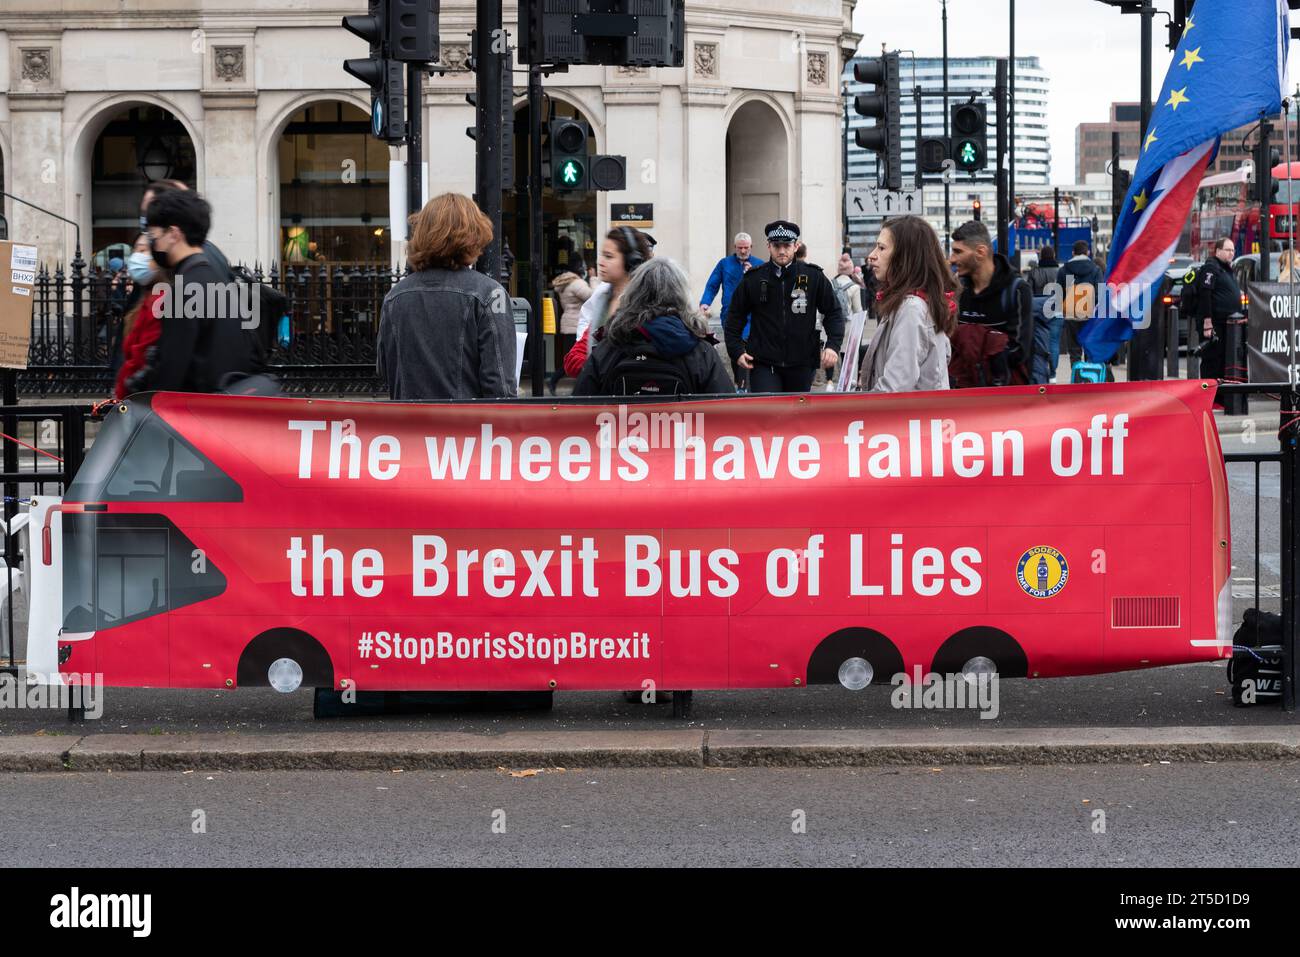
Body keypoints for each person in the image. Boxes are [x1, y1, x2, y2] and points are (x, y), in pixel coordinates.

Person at [376, 192, 516, 400]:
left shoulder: (394, 297)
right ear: (474, 236)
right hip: (467, 429)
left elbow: (385, 371)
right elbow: (500, 387)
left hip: (408, 428)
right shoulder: (490, 294)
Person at [143, 189, 253, 393]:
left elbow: (171, 371)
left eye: (154, 235)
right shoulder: (220, 280)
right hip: (225, 404)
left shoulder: (185, 290)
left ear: (174, 234)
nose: (153, 244)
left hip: (197, 411)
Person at [573, 257, 734, 397]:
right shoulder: (701, 352)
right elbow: (728, 414)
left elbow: (578, 410)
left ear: (634, 293)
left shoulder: (610, 346)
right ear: (682, 296)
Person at [724, 220, 845, 393]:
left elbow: (833, 312)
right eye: (776, 245)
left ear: (796, 246)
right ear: (768, 246)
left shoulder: (813, 276)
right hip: (763, 363)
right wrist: (736, 350)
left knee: (796, 416)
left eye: (787, 245)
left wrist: (833, 345)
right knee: (768, 413)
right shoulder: (753, 279)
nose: (782, 250)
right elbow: (735, 316)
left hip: (802, 363)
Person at [857, 216, 956, 393]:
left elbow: (895, 386)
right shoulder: (914, 303)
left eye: (881, 248)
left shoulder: (911, 308)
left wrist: (856, 412)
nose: (872, 255)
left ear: (904, 256)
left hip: (908, 418)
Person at [949, 220, 1032, 385]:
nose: (952, 259)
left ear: (980, 252)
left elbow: (1019, 352)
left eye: (958, 252)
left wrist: (969, 340)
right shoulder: (959, 290)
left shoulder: (1016, 290)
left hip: (1003, 399)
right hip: (963, 396)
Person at [567, 227, 654, 374]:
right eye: (602, 255)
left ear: (631, 261)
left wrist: (598, 365)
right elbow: (572, 359)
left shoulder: (652, 303)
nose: (600, 262)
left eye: (609, 256)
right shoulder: (603, 301)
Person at [1194, 236, 1243, 382]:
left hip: (1227, 324)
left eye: (1233, 250)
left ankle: (1220, 396)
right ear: (1218, 251)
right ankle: (1209, 394)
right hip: (1215, 323)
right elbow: (1205, 294)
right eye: (1227, 250)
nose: (1231, 253)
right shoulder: (1211, 267)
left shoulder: (1226, 269)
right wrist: (1207, 322)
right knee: (1212, 361)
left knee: (1223, 361)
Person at [1057, 240, 1104, 370]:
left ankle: (1077, 379)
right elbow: (1100, 293)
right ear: (1087, 252)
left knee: (1074, 351)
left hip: (1071, 314)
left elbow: (1058, 294)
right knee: (1089, 349)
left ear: (1073, 253)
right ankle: (1089, 380)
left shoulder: (1063, 270)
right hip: (1090, 315)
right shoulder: (1096, 270)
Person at [548, 264, 592, 395]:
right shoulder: (577, 283)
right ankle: (556, 381)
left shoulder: (565, 284)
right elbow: (593, 297)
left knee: (572, 359)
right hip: (576, 324)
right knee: (577, 359)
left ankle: (556, 381)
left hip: (567, 323)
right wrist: (594, 279)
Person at [833, 252, 864, 316]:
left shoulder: (830, 283)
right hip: (848, 323)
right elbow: (857, 310)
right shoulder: (854, 287)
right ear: (851, 269)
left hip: (832, 323)